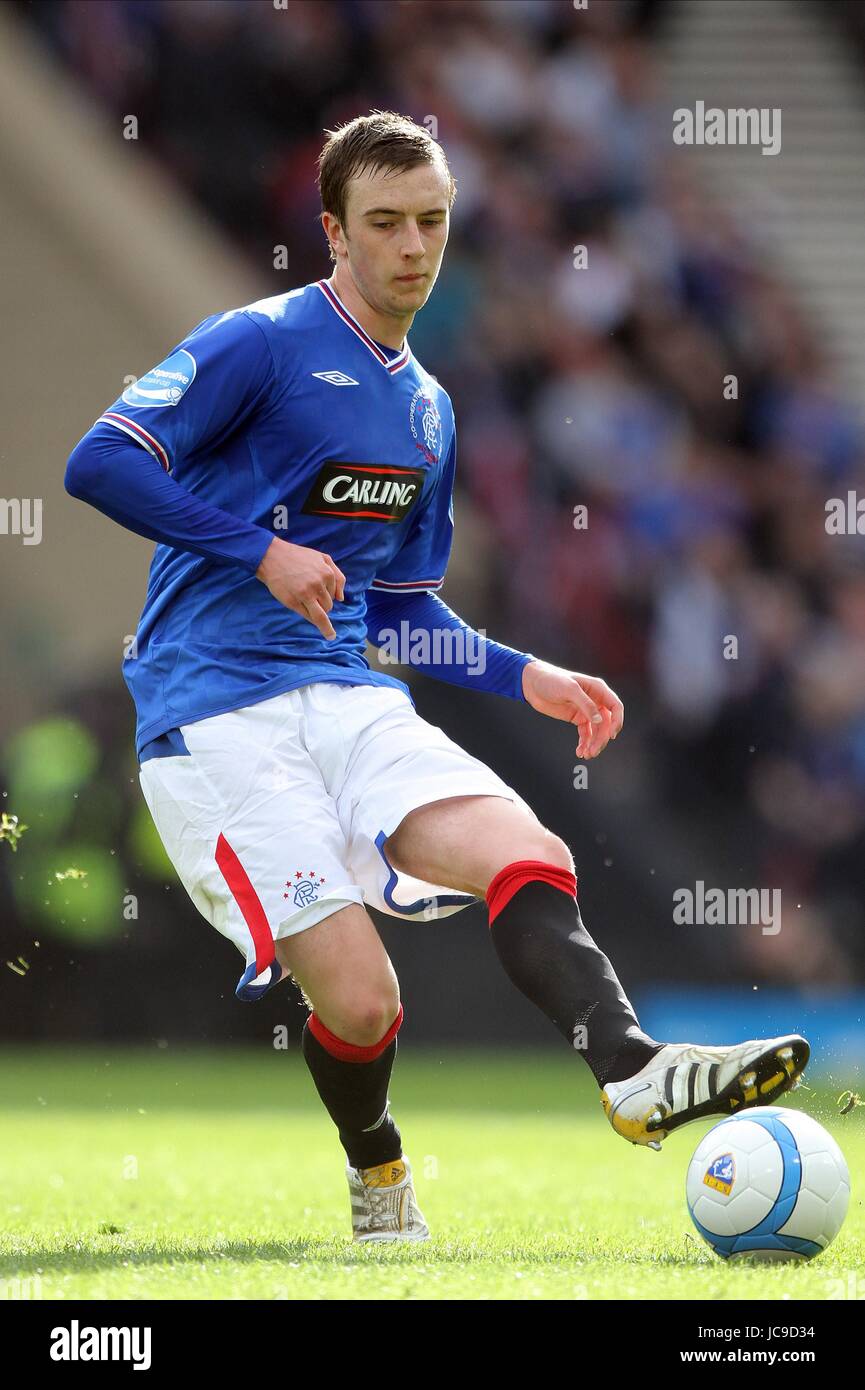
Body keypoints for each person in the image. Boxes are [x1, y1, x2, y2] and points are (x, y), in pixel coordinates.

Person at [65, 111, 809, 1243]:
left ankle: (632, 1071)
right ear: (334, 232)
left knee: (529, 849)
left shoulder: (428, 409)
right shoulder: (257, 342)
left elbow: (400, 608)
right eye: (385, 223)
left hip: (350, 693)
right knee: (365, 1005)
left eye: (432, 221)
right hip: (214, 706)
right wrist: (257, 548)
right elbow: (99, 461)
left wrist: (528, 676)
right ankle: (379, 1173)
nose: (413, 245)